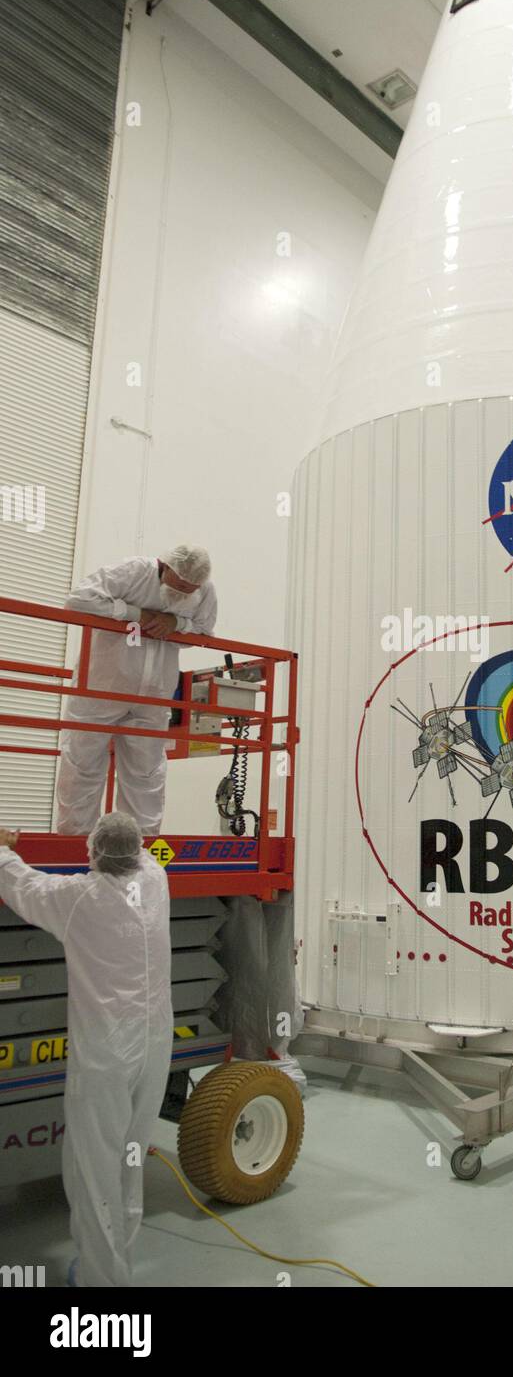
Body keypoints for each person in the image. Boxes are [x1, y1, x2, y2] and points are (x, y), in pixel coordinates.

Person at [0, 814, 172, 1287]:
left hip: (106, 1060)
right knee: (130, 1161)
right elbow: (141, 855)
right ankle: (119, 1265)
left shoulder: (78, 899)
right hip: (155, 1049)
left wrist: (2, 846)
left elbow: (21, 884)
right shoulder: (157, 883)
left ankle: (100, 1282)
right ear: (137, 852)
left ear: (92, 853)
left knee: (94, 1172)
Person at [56, 546, 217, 835]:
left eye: (190, 590)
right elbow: (79, 601)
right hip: (101, 689)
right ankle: (72, 843)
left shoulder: (204, 590)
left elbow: (205, 631)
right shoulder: (133, 572)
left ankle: (138, 853)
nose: (184, 594)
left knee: (146, 773)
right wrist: (133, 614)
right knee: (82, 765)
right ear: (164, 566)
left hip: (153, 696)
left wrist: (177, 622)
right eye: (180, 586)